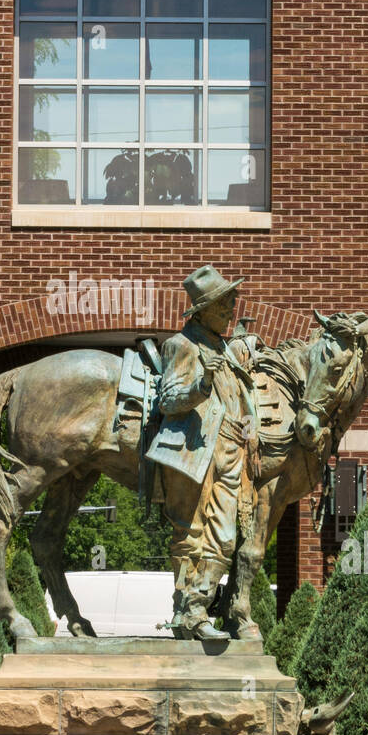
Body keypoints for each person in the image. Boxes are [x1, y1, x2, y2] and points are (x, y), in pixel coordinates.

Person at [146, 265, 258, 642]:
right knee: (189, 536)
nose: (230, 309)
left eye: (231, 302)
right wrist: (202, 382)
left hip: (230, 450)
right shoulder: (183, 345)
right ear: (203, 309)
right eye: (224, 303)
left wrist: (249, 423)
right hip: (195, 451)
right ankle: (189, 610)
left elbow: (241, 399)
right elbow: (167, 400)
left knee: (225, 538)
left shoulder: (223, 347)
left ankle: (198, 606)